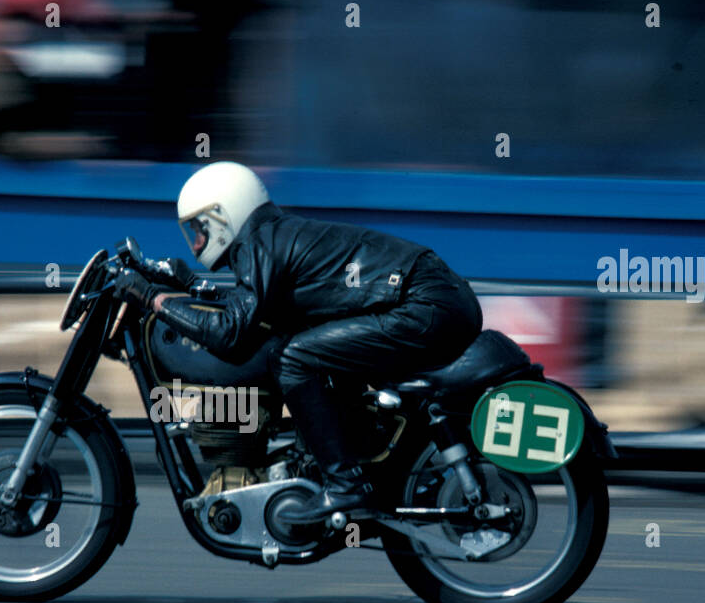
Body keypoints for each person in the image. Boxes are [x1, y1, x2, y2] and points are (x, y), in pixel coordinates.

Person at [116, 161, 484, 523]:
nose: (196, 245)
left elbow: (230, 336)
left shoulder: (260, 243)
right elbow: (250, 311)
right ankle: (334, 464)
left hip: (425, 303)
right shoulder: (271, 238)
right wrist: (188, 287)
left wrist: (153, 299)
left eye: (200, 229)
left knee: (294, 358)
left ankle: (343, 483)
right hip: (434, 297)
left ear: (222, 217)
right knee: (301, 351)